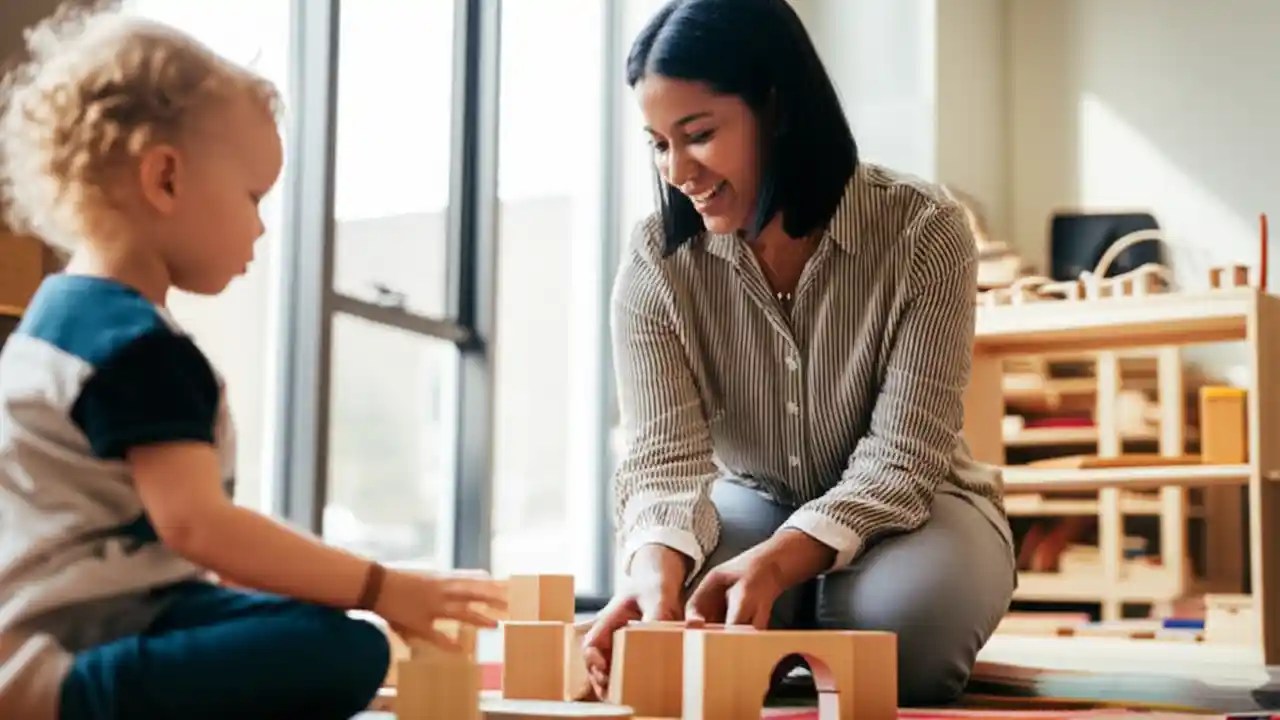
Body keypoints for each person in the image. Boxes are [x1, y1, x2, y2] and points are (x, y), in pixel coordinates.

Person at [0, 7, 504, 720]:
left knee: (303, 623)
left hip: (85, 609)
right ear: (165, 178)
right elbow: (201, 528)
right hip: (74, 637)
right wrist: (385, 587)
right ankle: (59, 700)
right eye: (253, 196)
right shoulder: (135, 346)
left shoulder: (58, 318)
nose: (262, 226)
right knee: (346, 648)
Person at [582, 0, 1015, 706]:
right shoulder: (656, 261)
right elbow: (664, 457)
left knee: (897, 648)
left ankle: (815, 603)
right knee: (680, 629)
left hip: (919, 503)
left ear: (775, 108)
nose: (677, 171)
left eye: (698, 135)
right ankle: (797, 610)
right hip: (749, 497)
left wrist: (783, 563)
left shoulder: (923, 228)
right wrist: (652, 579)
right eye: (659, 143)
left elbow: (903, 456)